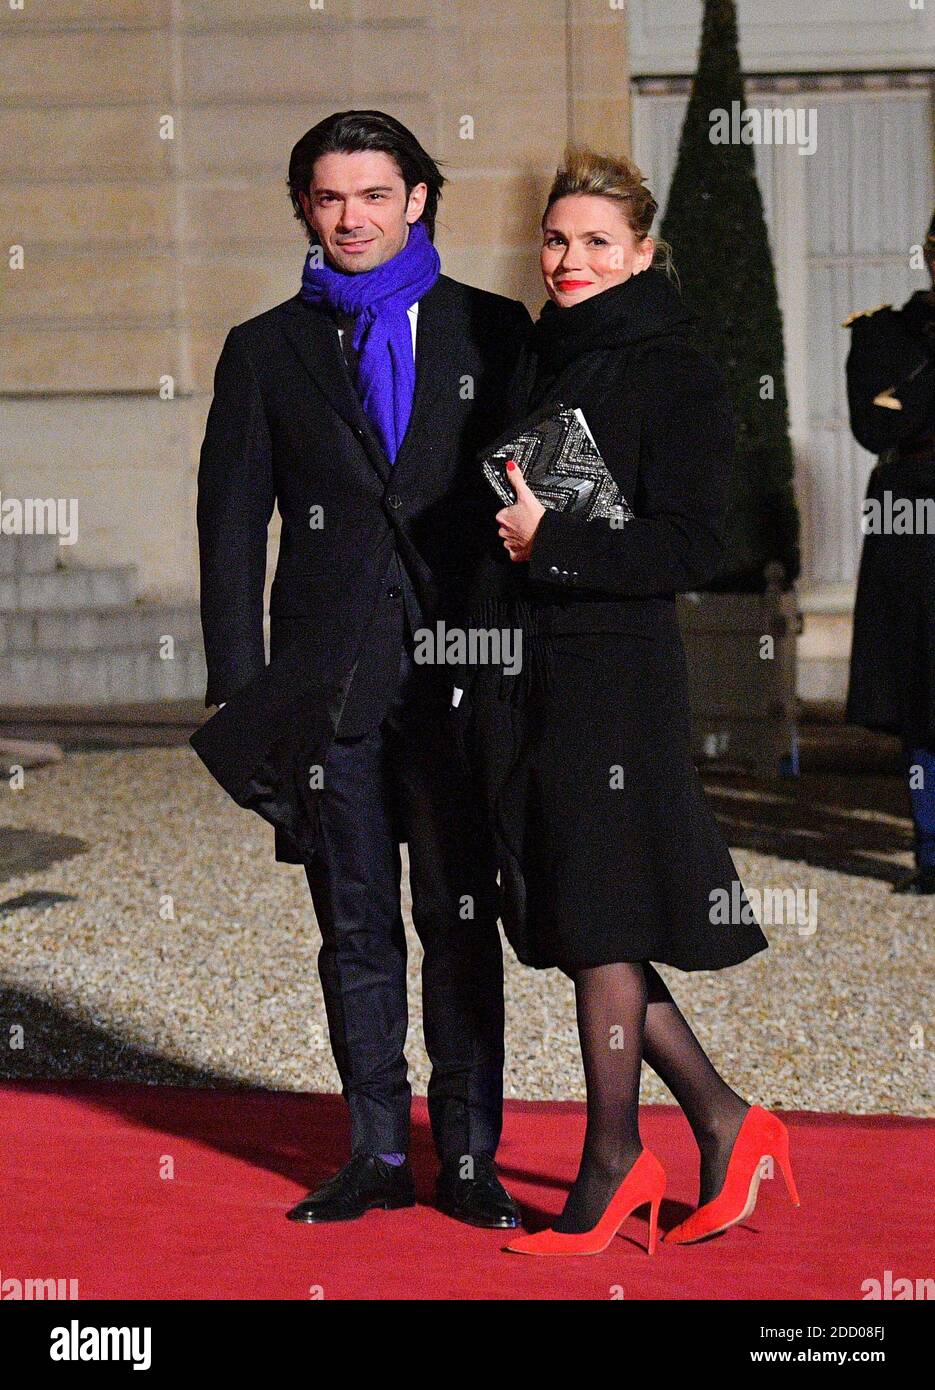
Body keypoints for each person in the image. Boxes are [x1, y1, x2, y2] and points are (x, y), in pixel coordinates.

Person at [455, 148, 799, 1256]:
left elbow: (696, 542)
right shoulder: (541, 355)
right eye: (556, 239)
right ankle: (725, 1121)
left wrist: (551, 542)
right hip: (535, 668)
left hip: (614, 671)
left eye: (596, 242)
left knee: (600, 907)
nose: (568, 259)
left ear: (642, 252)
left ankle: (613, 1162)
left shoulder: (677, 369)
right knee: (574, 907)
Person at [191, 110, 531, 1228]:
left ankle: (470, 1158)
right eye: (329, 198)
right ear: (303, 206)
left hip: (456, 676)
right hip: (325, 687)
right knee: (355, 928)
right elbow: (232, 528)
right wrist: (244, 688)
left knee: (458, 917)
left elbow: (544, 498)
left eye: (373, 195)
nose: (351, 218)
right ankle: (378, 1151)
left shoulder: (496, 329)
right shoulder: (263, 348)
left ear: (417, 199)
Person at [844, 208, 935, 894]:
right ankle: (931, 847)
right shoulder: (885, 333)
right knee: (920, 685)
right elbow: (877, 425)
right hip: (912, 518)